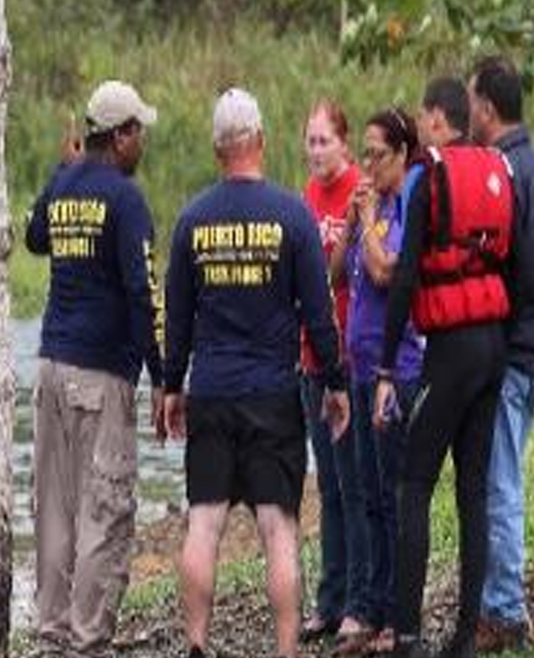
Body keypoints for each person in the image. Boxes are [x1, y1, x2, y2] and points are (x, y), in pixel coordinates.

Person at [162, 88, 350, 658]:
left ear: (218, 148)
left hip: (213, 391)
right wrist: (337, 383)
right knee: (278, 529)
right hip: (272, 393)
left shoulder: (192, 219)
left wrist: (173, 386)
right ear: (261, 141)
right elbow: (318, 314)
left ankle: (197, 642)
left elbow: (178, 315)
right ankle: (286, 649)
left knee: (204, 524)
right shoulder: (292, 215)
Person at [24, 79, 166, 658]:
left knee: (54, 510)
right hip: (101, 375)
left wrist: (62, 175)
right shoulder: (126, 200)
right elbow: (144, 291)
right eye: (140, 132)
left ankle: (52, 631)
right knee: (103, 510)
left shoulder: (66, 184)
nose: (143, 143)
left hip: (51, 370)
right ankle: (88, 641)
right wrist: (163, 376)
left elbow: (35, 237)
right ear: (121, 136)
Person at [375, 77, 513, 658]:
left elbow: (406, 277)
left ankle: (407, 637)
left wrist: (386, 366)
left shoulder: (428, 176)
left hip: (451, 352)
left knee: (414, 485)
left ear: (435, 119)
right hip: (493, 347)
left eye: (425, 117)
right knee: (473, 490)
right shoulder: (498, 168)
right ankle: (462, 640)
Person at [468, 56, 534, 654]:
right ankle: (497, 602)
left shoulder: (507, 171)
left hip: (513, 353)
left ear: (485, 108)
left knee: (499, 482)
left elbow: (518, 270)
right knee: (498, 477)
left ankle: (504, 610)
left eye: (472, 100)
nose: (467, 111)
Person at [329, 108, 425, 655]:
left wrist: (367, 222)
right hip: (359, 365)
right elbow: (339, 274)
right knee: (365, 491)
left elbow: (388, 272)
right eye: (363, 154)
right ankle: (369, 601)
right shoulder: (371, 207)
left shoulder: (406, 205)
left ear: (402, 154)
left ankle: (396, 609)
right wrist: (349, 223)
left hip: (399, 369)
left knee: (391, 494)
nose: (368, 164)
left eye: (377, 154)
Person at [297, 100, 367, 648]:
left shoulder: (359, 192)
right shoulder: (306, 197)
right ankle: (330, 597)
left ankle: (359, 603)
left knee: (353, 483)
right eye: (311, 141)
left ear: (344, 144)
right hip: (309, 360)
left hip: (350, 357)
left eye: (326, 141)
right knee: (328, 486)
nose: (318, 151)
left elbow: (342, 275)